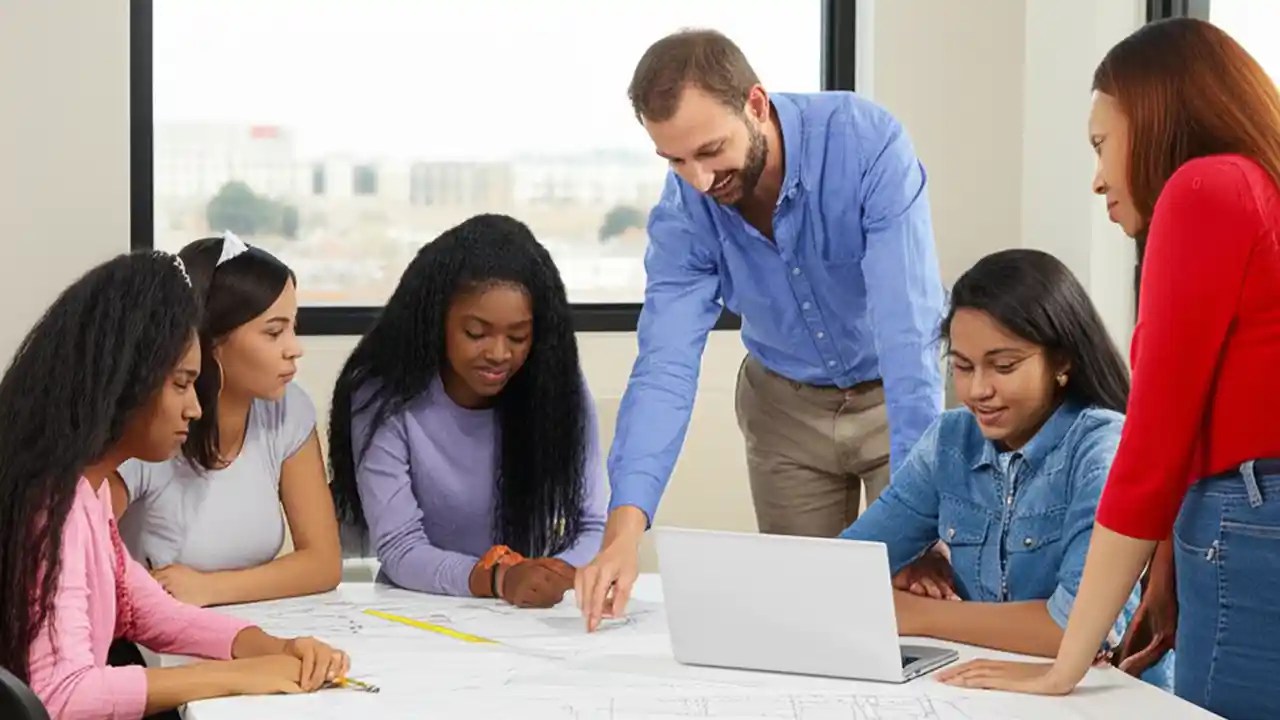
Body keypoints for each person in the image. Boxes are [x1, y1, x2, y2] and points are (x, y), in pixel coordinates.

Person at [935, 18, 1280, 719]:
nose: (1097, 179)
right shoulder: (1257, 191)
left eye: (1101, 145)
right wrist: (1166, 560)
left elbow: (1153, 443)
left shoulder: (1204, 187)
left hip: (1249, 515)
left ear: (1157, 119)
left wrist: (1063, 666)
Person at [576, 28, 946, 629]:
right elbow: (665, 368)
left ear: (755, 104)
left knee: (908, 603)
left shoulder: (865, 145)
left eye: (710, 150)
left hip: (892, 404)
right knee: (806, 620)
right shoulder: (684, 212)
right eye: (674, 159)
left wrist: (923, 514)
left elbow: (911, 339)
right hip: (785, 413)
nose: (698, 179)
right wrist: (623, 532)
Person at [0, 250, 348, 720]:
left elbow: (142, 610)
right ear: (128, 381)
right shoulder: (52, 507)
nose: (196, 408)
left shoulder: (88, 490)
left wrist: (271, 647)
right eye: (182, 384)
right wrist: (237, 678)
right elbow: (63, 695)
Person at [838, 249, 1171, 686]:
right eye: (962, 366)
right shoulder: (951, 441)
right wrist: (910, 562)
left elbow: (1076, 628)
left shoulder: (1101, 447)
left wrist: (919, 614)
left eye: (1003, 366)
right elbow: (843, 569)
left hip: (1107, 697)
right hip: (987, 687)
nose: (978, 390)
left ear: (1062, 361)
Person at [328, 214, 607, 608]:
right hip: (419, 609)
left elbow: (595, 524)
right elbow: (400, 547)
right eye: (476, 333)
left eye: (518, 337)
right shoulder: (382, 393)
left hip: (537, 612)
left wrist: (551, 576)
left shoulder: (559, 387)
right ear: (434, 321)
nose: (498, 353)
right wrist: (496, 579)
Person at [111, 233, 341, 608]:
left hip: (253, 629)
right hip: (150, 640)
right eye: (274, 332)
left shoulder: (288, 410)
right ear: (211, 341)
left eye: (293, 327)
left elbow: (323, 564)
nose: (294, 349)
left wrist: (210, 589)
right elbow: (76, 559)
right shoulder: (149, 423)